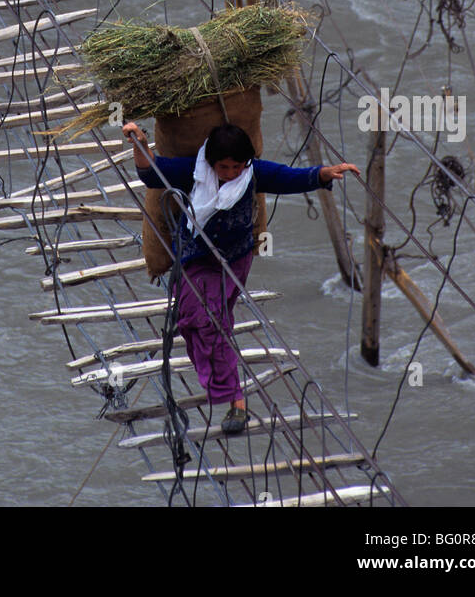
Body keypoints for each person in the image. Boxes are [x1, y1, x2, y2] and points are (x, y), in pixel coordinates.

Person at [124, 119, 359, 436]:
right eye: (224, 166)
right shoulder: (195, 171)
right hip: (194, 257)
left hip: (232, 261)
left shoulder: (254, 173)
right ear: (211, 162)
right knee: (192, 322)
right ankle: (217, 379)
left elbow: (288, 178)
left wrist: (323, 173)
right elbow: (152, 172)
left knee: (212, 322)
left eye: (237, 166)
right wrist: (139, 142)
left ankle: (235, 401)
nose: (232, 172)